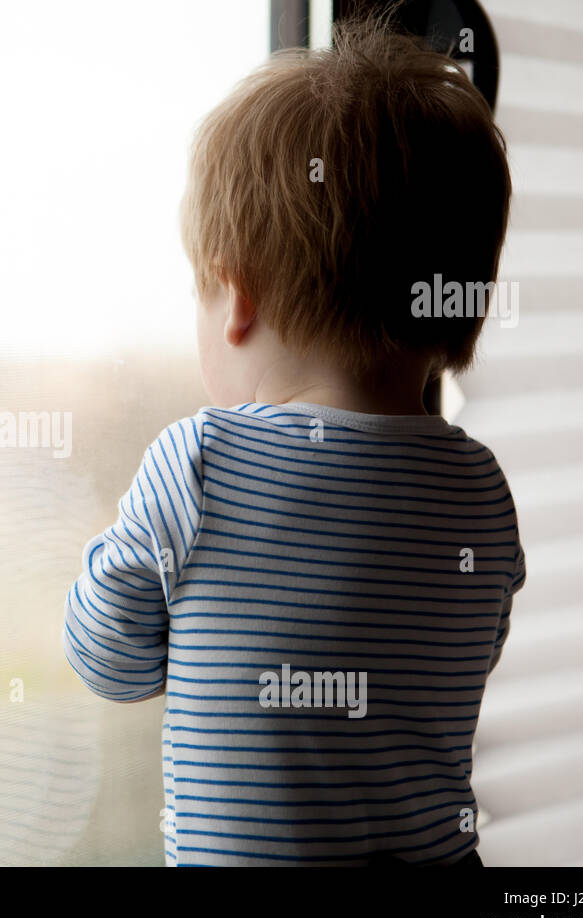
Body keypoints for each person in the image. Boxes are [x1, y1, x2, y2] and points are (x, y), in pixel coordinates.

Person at [62, 12, 524, 866]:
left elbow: (107, 656)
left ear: (235, 296)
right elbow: (464, 653)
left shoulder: (199, 463)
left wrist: (124, 550)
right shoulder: (481, 489)